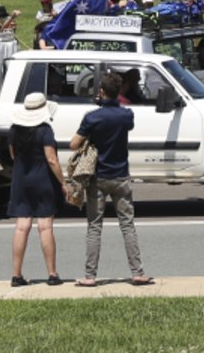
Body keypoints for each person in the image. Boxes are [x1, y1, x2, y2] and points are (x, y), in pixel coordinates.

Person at [69, 73, 153, 287]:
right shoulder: (126, 115)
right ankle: (138, 272)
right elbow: (127, 126)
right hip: (121, 175)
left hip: (98, 177)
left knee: (94, 227)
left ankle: (90, 276)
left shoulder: (92, 117)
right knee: (127, 225)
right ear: (119, 91)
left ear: (101, 92)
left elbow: (73, 144)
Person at [7, 92, 68, 287]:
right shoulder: (45, 131)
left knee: (21, 227)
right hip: (42, 180)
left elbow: (13, 154)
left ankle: (16, 275)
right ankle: (52, 273)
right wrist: (63, 182)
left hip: (21, 180)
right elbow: (51, 159)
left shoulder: (14, 130)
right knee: (45, 226)